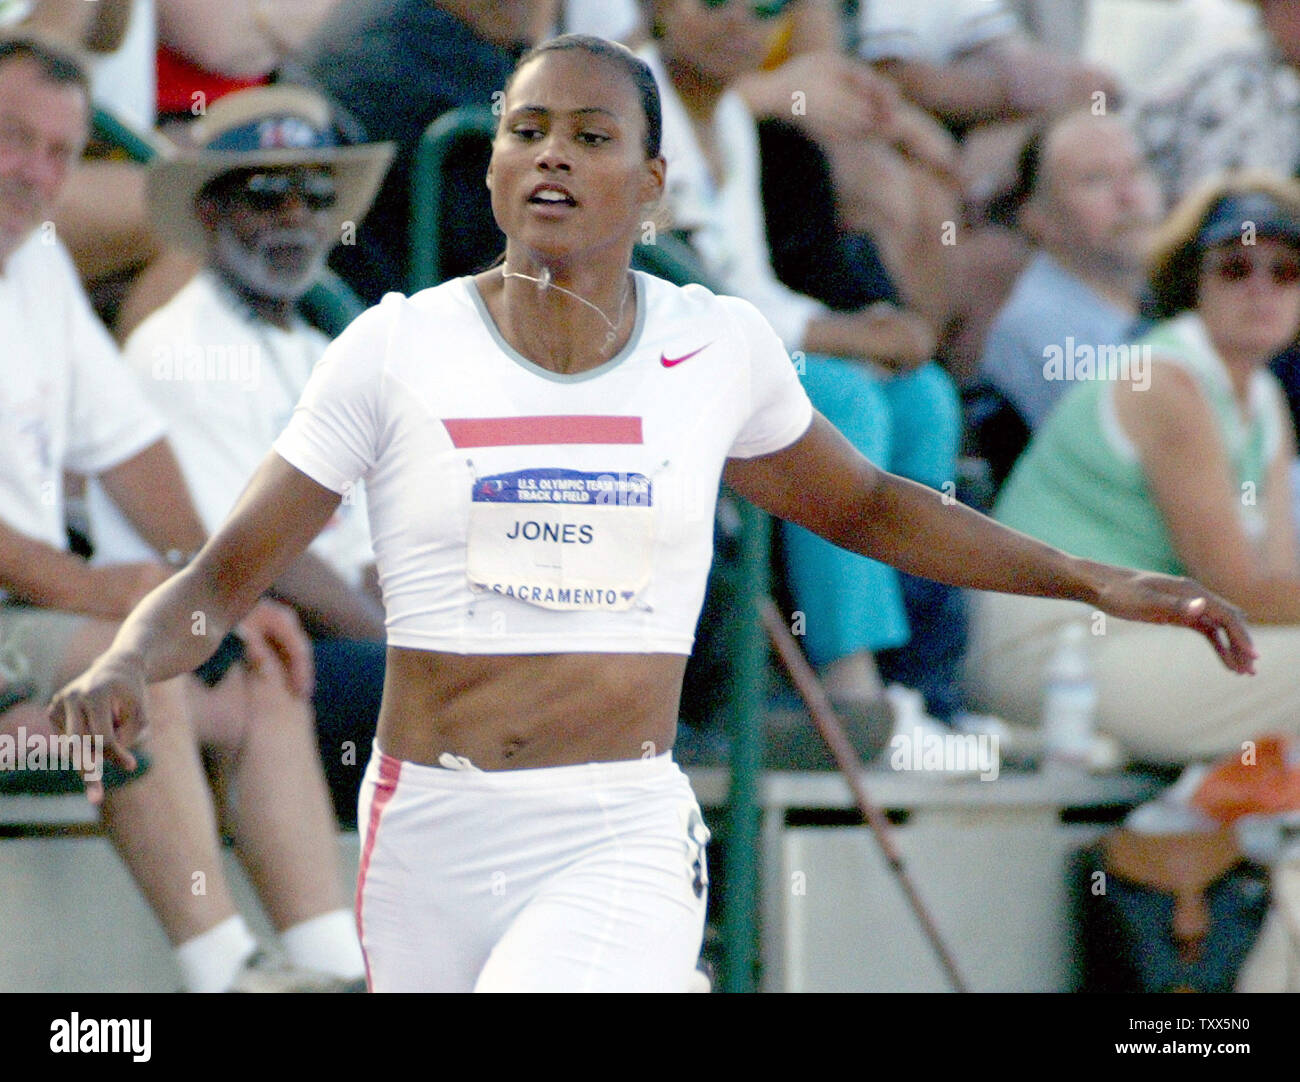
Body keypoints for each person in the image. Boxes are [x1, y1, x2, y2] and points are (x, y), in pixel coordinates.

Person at [49, 34, 1256, 994]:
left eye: (590, 133)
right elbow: (223, 570)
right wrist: (125, 654)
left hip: (611, 822)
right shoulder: (392, 346)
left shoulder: (713, 345)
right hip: (426, 825)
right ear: (492, 168)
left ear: (656, 181)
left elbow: (875, 508)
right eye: (526, 131)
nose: (552, 155)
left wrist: (1095, 579)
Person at [0, 35, 362, 992]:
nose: (32, 170)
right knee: (139, 666)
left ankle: (333, 971)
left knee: (262, 670)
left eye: (57, 152)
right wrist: (108, 595)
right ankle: (226, 974)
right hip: (26, 620)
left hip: (32, 627)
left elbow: (130, 453)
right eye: (9, 137)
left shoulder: (34, 264)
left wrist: (218, 597)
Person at [639, 1, 963, 718]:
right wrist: (844, 337)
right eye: (712, 1)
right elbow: (681, 286)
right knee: (840, 398)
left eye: (765, 7)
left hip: (730, 345)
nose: (739, 22)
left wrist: (857, 323)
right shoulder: (623, 100)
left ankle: (914, 682)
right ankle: (853, 688)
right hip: (646, 360)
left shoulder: (728, 118)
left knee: (924, 396)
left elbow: (748, 282)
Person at [85, 85, 394, 824]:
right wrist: (418, 643)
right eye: (265, 196)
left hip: (323, 642)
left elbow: (379, 544)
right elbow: (263, 557)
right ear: (208, 211)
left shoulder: (319, 347)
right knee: (453, 688)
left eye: (315, 197)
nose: (295, 218)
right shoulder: (178, 348)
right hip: (238, 656)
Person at [968, 172, 1300, 765]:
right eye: (1234, 268)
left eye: (1286, 271)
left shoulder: (1265, 400)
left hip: (1143, 640)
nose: (1261, 289)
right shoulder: (1168, 382)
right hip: (1052, 651)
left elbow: (1274, 587)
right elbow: (1238, 589)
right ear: (1190, 281)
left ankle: (1192, 841)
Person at [974, 109, 1162, 485]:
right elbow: (1134, 470)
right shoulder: (1036, 323)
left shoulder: (1172, 297)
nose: (1129, 196)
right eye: (1096, 179)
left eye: (1137, 171)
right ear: (1038, 220)